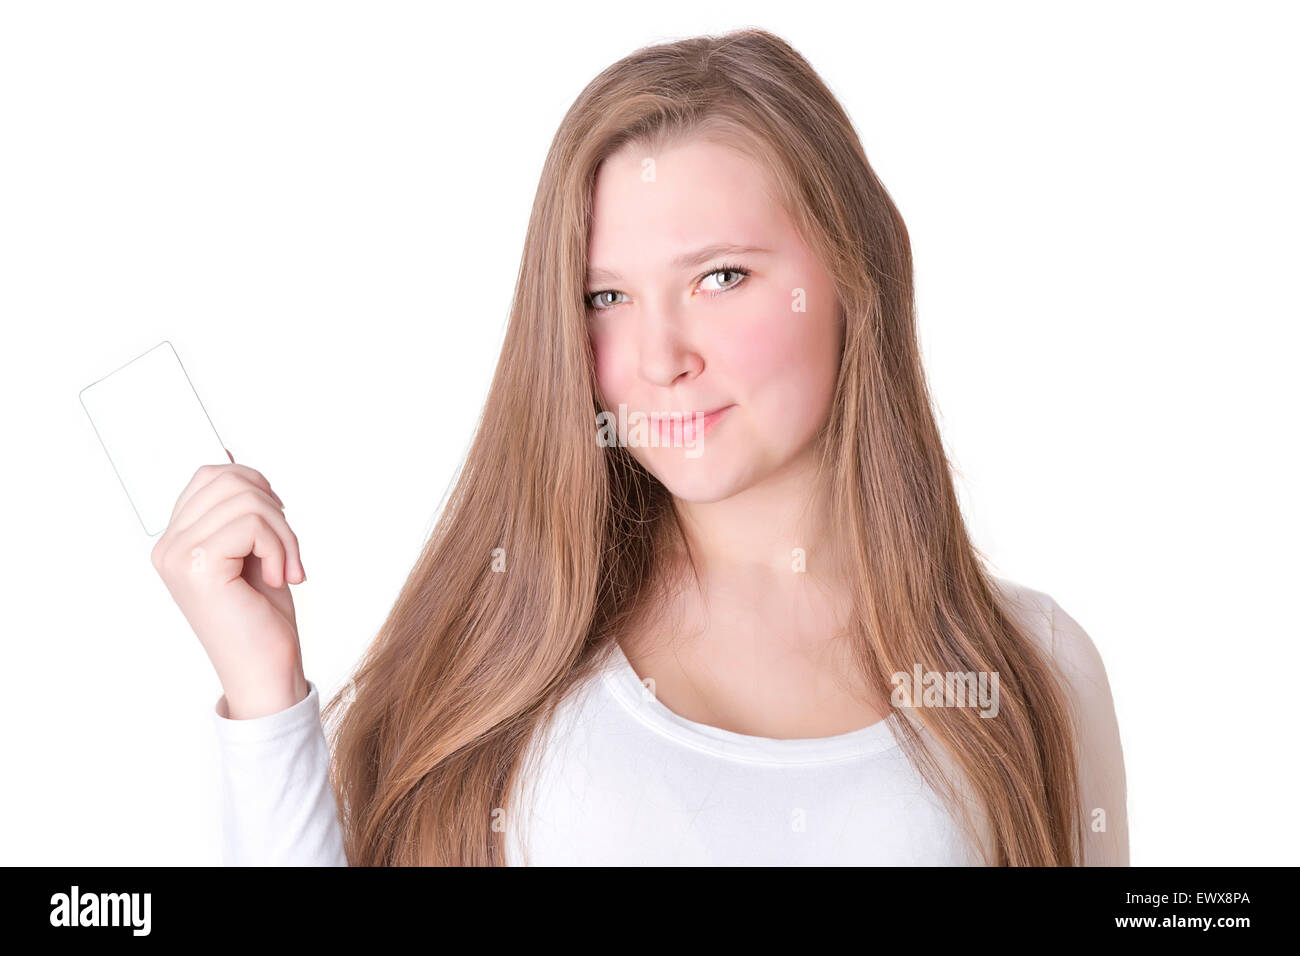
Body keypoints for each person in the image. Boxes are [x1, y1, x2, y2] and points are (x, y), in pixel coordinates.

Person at [152, 27, 1127, 866]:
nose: (660, 358)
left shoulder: (1034, 668)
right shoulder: (506, 662)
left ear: (853, 270)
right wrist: (263, 690)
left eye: (720, 277)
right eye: (606, 296)